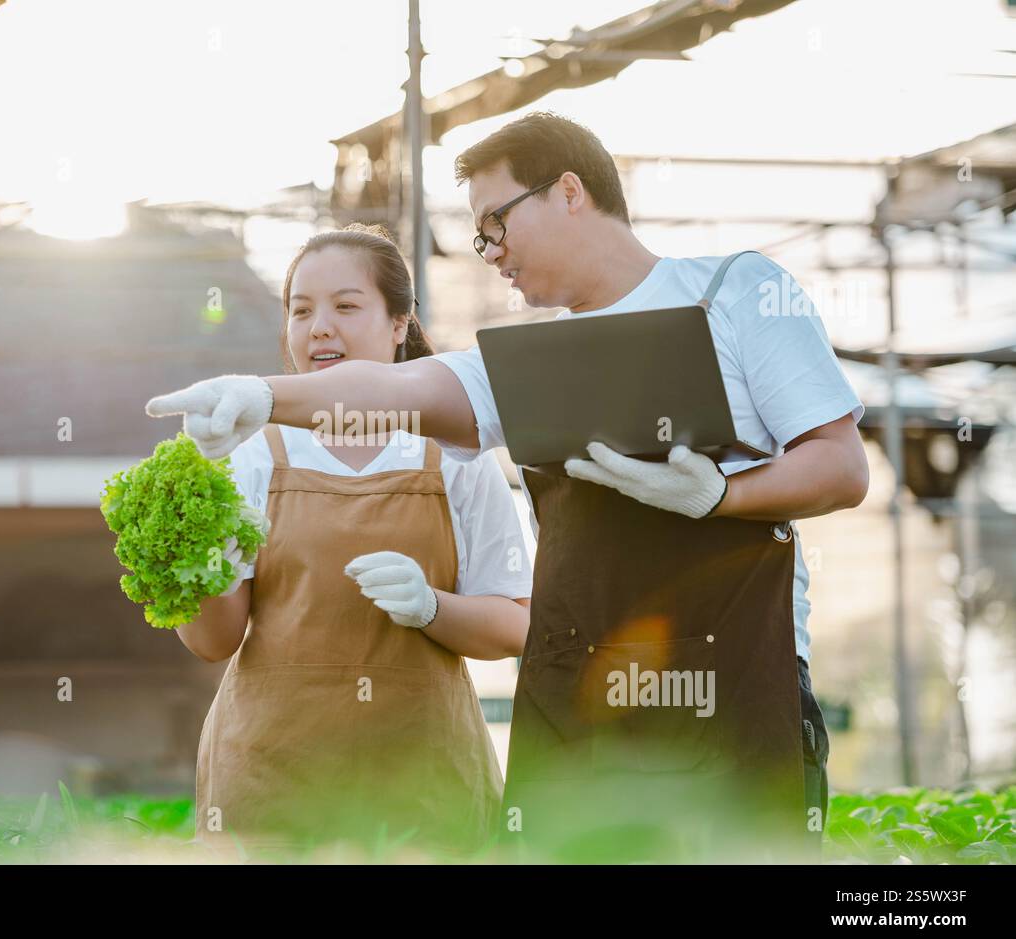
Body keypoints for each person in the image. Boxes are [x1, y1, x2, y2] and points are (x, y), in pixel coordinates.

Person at [149, 113, 868, 862]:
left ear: (567, 192)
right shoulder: (526, 367)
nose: (490, 253)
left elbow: (841, 467)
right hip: (577, 699)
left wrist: (721, 496)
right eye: (478, 237)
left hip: (732, 685)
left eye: (495, 224)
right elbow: (395, 389)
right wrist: (262, 397)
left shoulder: (735, 291)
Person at [176, 223, 532, 859]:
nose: (318, 327)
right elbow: (212, 642)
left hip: (426, 781)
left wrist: (432, 609)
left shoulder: (456, 453)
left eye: (345, 306)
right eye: (301, 310)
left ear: (400, 324)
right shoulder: (250, 453)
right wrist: (204, 562)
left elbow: (514, 626)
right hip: (270, 780)